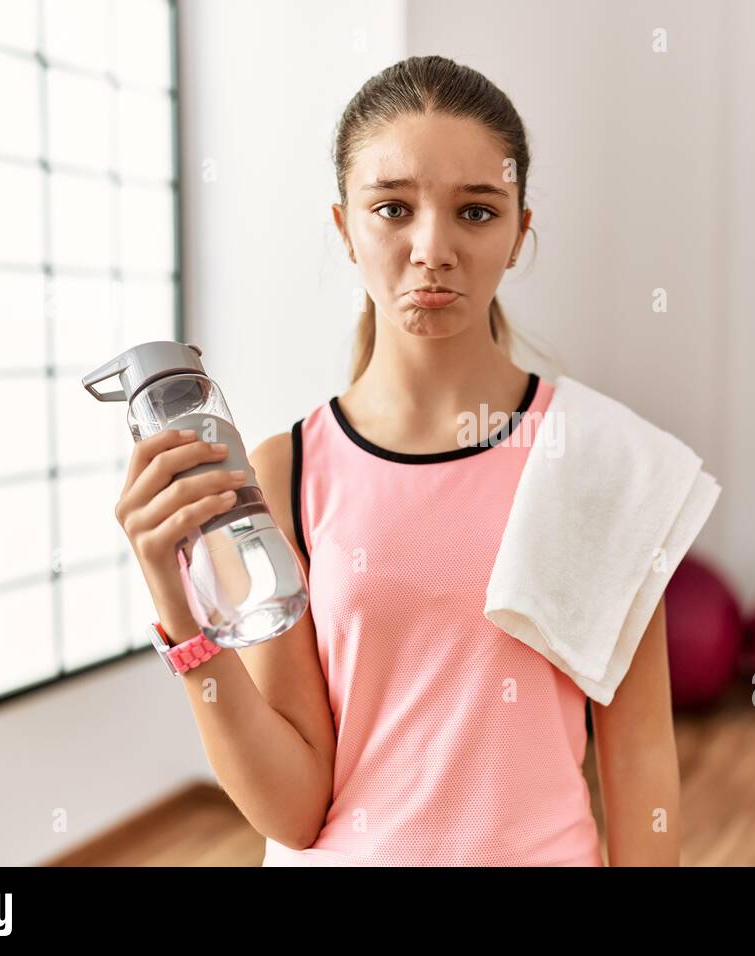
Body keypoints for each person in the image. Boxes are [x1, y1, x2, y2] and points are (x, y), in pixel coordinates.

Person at [115, 55, 680, 866]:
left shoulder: (599, 460)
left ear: (521, 231)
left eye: (476, 212)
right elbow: (295, 809)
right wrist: (179, 608)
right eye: (392, 208)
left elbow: (641, 763)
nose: (432, 248)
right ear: (345, 227)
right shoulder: (286, 470)